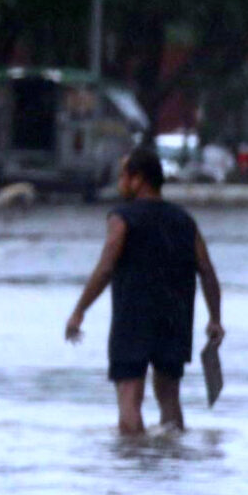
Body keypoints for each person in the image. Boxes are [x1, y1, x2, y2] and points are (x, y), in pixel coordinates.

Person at [65, 146, 223, 435]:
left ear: (137, 179)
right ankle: (170, 457)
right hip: (175, 318)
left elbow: (105, 268)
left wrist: (79, 311)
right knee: (169, 397)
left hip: (133, 318)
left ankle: (134, 467)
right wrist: (215, 319)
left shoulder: (122, 217)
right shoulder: (184, 221)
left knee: (129, 394)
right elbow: (207, 271)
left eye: (122, 176)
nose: (119, 183)